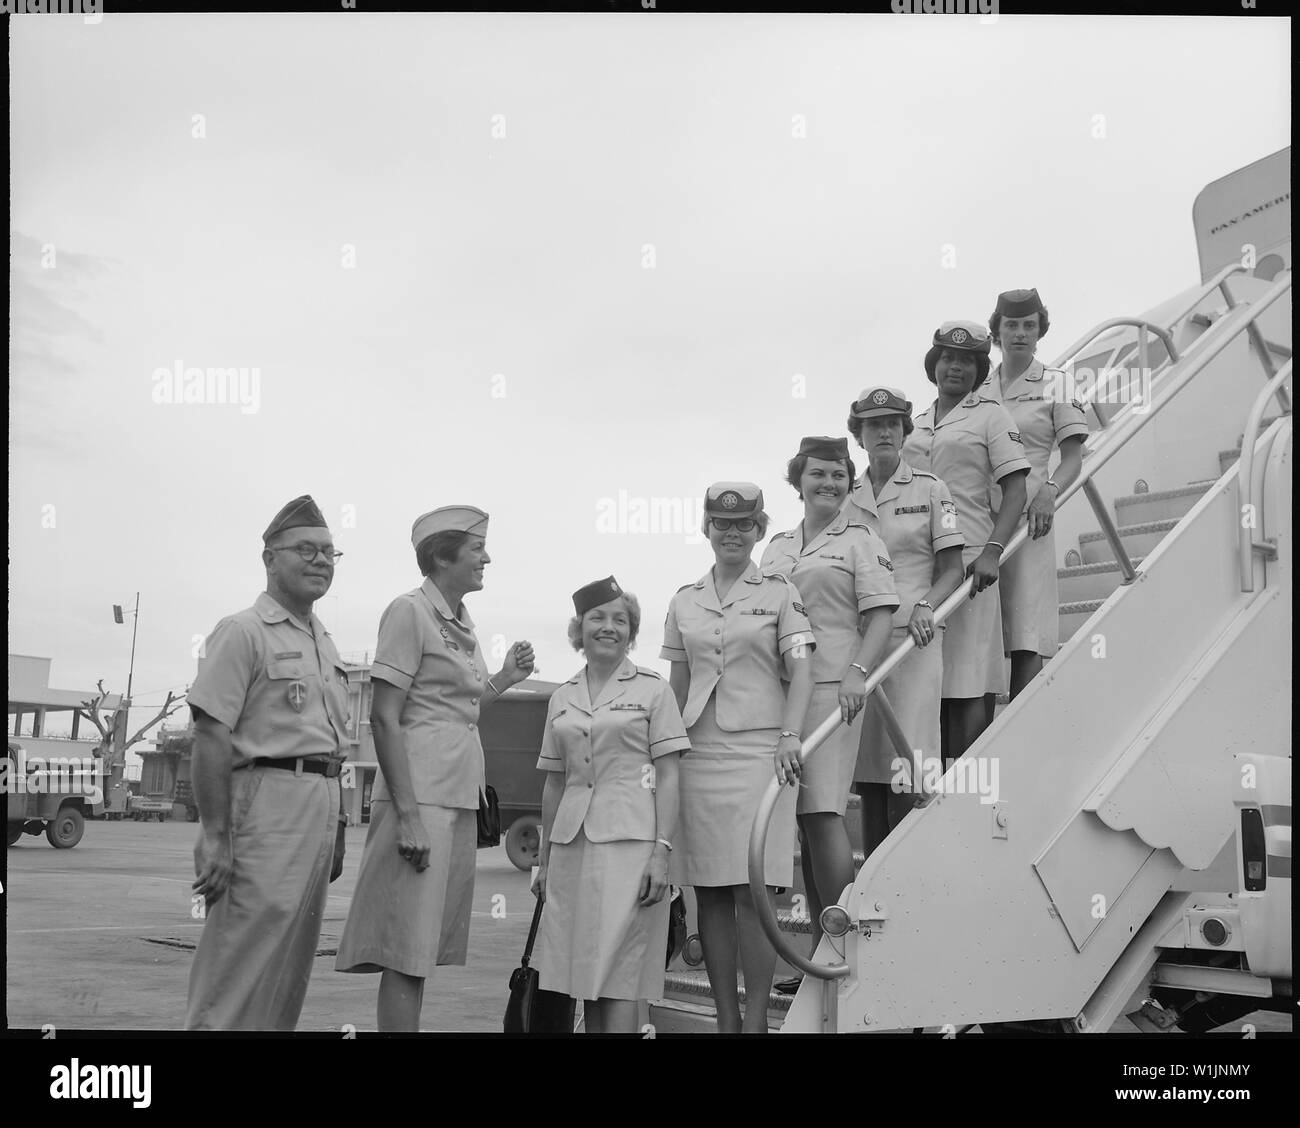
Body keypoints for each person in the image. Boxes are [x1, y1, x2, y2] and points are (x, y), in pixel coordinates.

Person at [335, 506, 535, 1031]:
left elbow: (461, 710)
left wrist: (506, 678)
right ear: (444, 556)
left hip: (454, 799)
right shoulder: (409, 612)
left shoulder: (460, 621)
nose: (486, 557)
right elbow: (384, 715)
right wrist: (407, 815)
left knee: (422, 949)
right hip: (420, 800)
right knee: (405, 948)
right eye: (476, 549)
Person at [185, 494, 351, 1031]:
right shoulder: (243, 631)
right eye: (306, 549)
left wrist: (340, 823)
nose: (321, 560)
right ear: (269, 557)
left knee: (288, 967)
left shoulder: (323, 641)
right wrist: (215, 834)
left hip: (319, 807)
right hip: (264, 804)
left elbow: (331, 745)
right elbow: (211, 734)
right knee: (239, 957)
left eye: (330, 551)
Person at [661, 483, 816, 1033]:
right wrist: (663, 757)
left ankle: (754, 1021)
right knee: (710, 893)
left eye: (744, 525)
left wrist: (791, 735)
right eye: (721, 524)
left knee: (755, 890)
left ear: (758, 529)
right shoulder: (684, 600)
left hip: (762, 753)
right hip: (698, 753)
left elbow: (803, 671)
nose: (732, 533)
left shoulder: (780, 592)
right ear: (707, 528)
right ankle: (726, 1019)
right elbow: (677, 686)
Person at [760, 437, 899, 966]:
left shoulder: (861, 539)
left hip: (830, 692)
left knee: (822, 814)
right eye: (818, 474)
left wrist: (858, 673)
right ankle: (822, 952)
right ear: (797, 480)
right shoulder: (777, 546)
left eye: (839, 475)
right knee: (801, 823)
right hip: (778, 694)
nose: (829, 483)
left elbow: (882, 613)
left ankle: (847, 949)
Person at [533, 577, 689, 1034]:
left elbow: (670, 772)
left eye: (620, 620)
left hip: (631, 845)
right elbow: (555, 783)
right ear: (578, 629)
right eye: (597, 618)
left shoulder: (653, 690)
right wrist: (543, 861)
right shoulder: (562, 696)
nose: (609, 627)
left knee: (620, 975)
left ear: (632, 632)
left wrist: (663, 850)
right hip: (570, 849)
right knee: (583, 976)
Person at [843, 388, 967, 857]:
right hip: (859, 646)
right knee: (870, 762)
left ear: (904, 430)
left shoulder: (934, 489)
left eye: (893, 423)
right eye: (873, 425)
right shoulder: (845, 498)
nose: (884, 432)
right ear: (859, 435)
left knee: (910, 757)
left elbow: (953, 569)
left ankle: (912, 862)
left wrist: (927, 606)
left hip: (913, 640)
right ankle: (874, 867)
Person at [902, 323, 1030, 763]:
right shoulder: (914, 425)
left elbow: (1016, 489)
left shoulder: (991, 415)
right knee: (926, 674)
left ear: (978, 369)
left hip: (972, 557)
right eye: (946, 358)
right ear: (933, 364)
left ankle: (968, 780)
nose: (954, 367)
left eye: (965, 361)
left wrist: (995, 549)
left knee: (967, 675)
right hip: (921, 563)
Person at [982, 289, 1090, 698]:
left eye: (1029, 325)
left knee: (1026, 627)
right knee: (984, 626)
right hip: (980, 515)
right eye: (1011, 325)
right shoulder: (981, 387)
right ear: (998, 330)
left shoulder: (1057, 382)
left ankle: (1021, 722)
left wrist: (1049, 491)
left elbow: (1073, 458)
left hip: (1029, 516)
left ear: (1040, 330)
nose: (1020, 333)